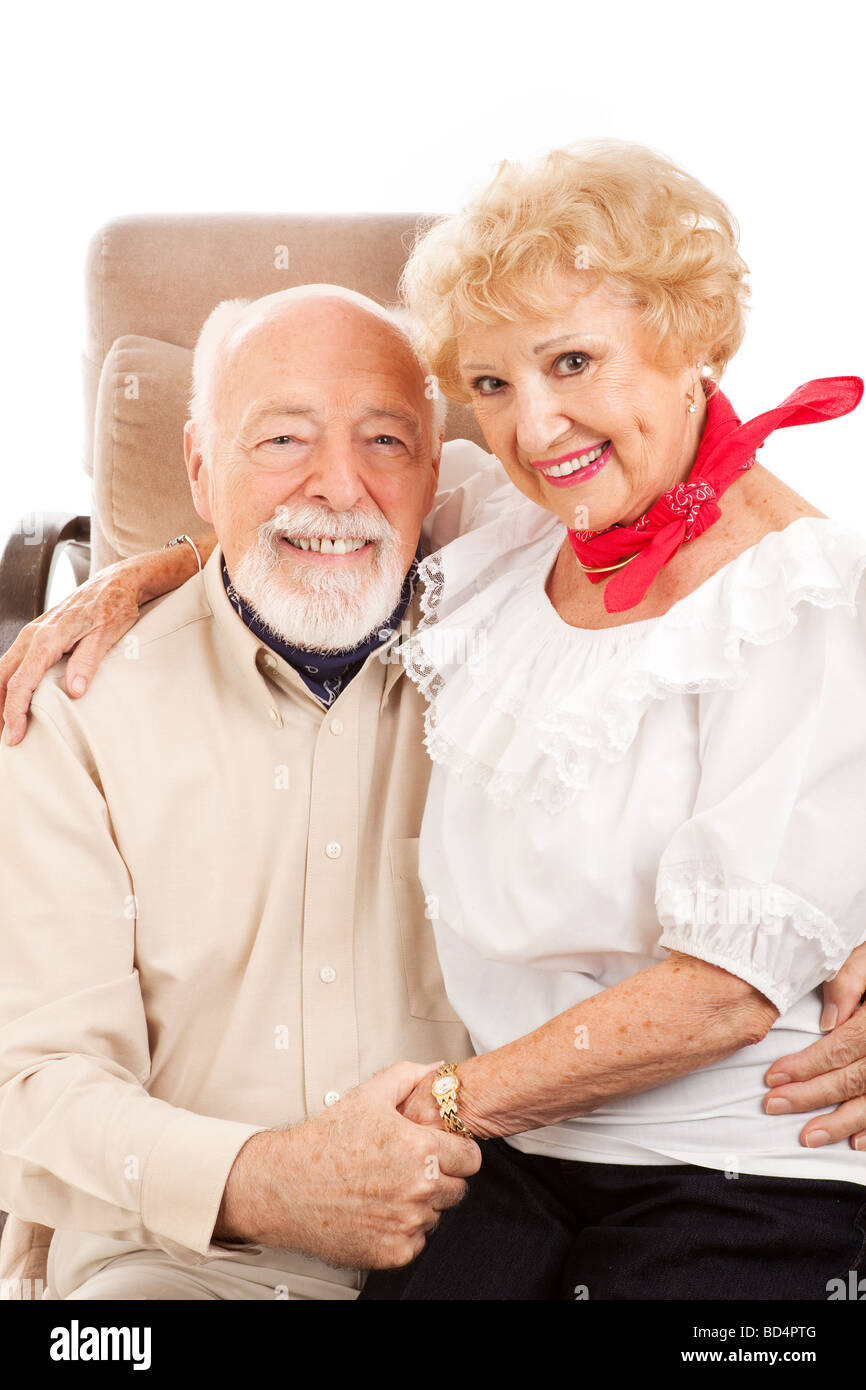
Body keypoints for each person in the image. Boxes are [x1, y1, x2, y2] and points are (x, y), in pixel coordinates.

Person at [355, 139, 866, 1299]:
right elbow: (321, 508)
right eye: (489, 384)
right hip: (523, 1149)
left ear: (691, 345)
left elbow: (723, 989)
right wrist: (133, 576)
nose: (534, 429)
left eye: (572, 361)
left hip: (739, 1167)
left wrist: (439, 1103)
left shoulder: (795, 594)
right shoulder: (514, 535)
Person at [0, 285, 485, 1300]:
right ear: (196, 464)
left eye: (385, 440)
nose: (339, 486)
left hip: (488, 1249)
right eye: (280, 440)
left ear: (435, 471)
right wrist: (263, 1182)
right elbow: (36, 1080)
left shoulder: (532, 664)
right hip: (172, 1261)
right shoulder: (72, 713)